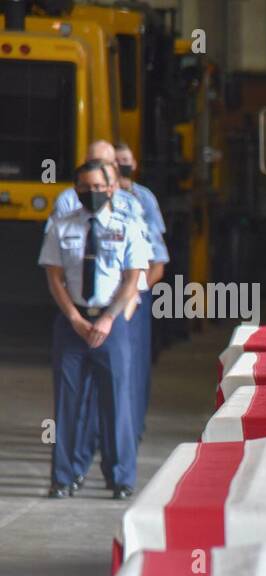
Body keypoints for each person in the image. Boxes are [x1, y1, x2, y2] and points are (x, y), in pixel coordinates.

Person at [40, 160, 150, 499]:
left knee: (116, 400)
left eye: (99, 188)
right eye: (85, 188)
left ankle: (120, 478)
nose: (92, 194)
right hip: (72, 321)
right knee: (68, 403)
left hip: (111, 322)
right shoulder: (62, 225)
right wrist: (74, 318)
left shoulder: (128, 225)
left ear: (112, 188)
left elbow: (133, 279)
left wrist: (108, 318)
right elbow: (54, 276)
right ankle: (64, 476)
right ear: (76, 190)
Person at [115, 143, 170, 441]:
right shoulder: (85, 200)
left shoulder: (142, 200)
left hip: (136, 294)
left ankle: (131, 428)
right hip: (103, 297)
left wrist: (136, 292)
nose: (122, 166)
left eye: (126, 160)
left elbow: (157, 257)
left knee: (135, 366)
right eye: (116, 161)